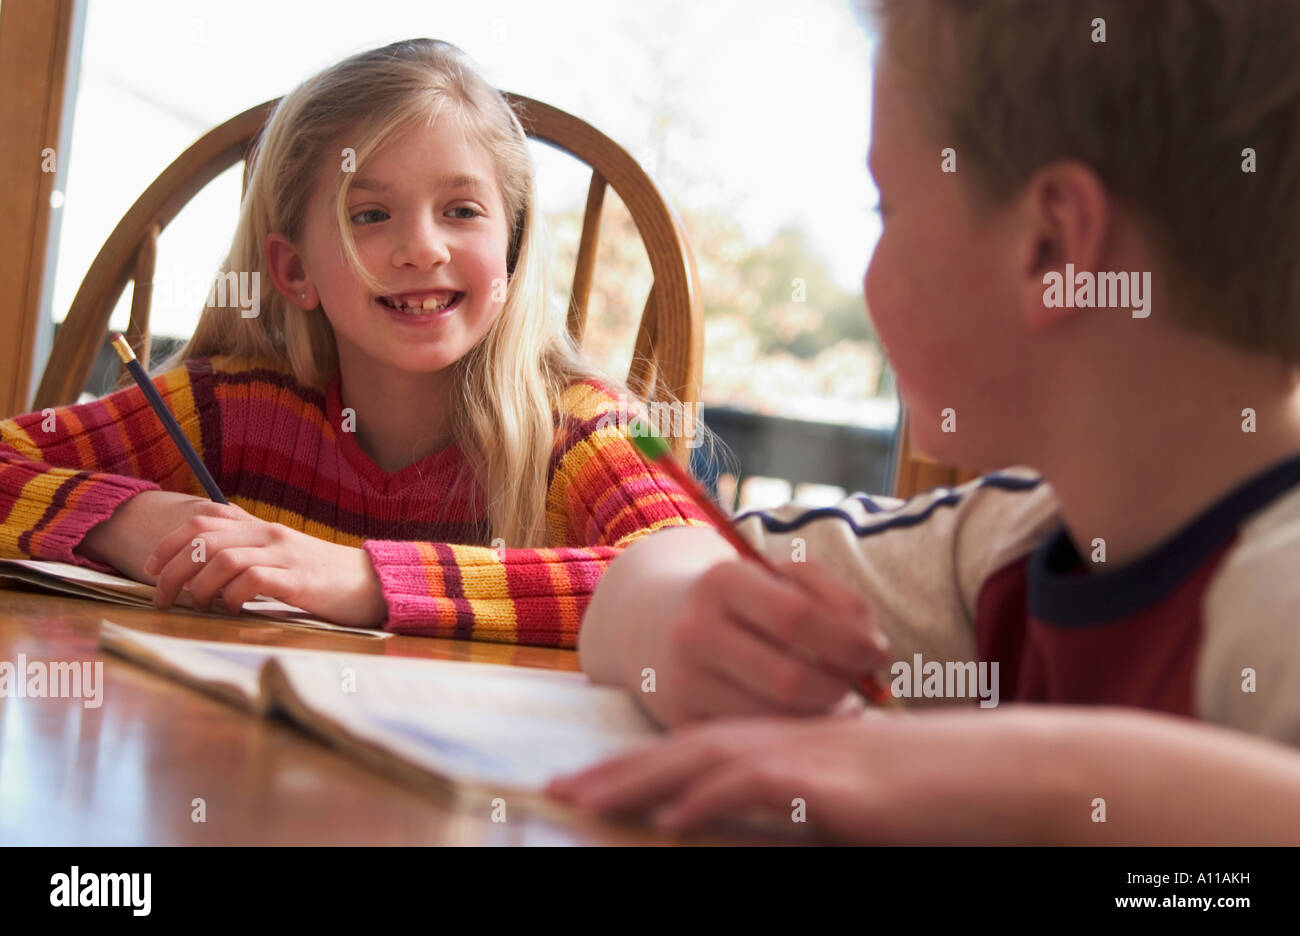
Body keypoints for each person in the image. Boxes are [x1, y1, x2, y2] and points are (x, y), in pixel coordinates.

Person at [553, 0, 1300, 837]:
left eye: (886, 209)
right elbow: (647, 571)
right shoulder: (1004, 543)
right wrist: (682, 630)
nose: (868, 270)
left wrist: (1029, 776)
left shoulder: (1280, 595)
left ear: (1052, 250)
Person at [0, 39, 710, 643]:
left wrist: (363, 578)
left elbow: (697, 579)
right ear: (294, 269)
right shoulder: (231, 411)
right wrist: (132, 520)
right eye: (369, 214)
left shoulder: (581, 430)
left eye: (461, 210)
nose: (421, 248)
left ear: (514, 248)